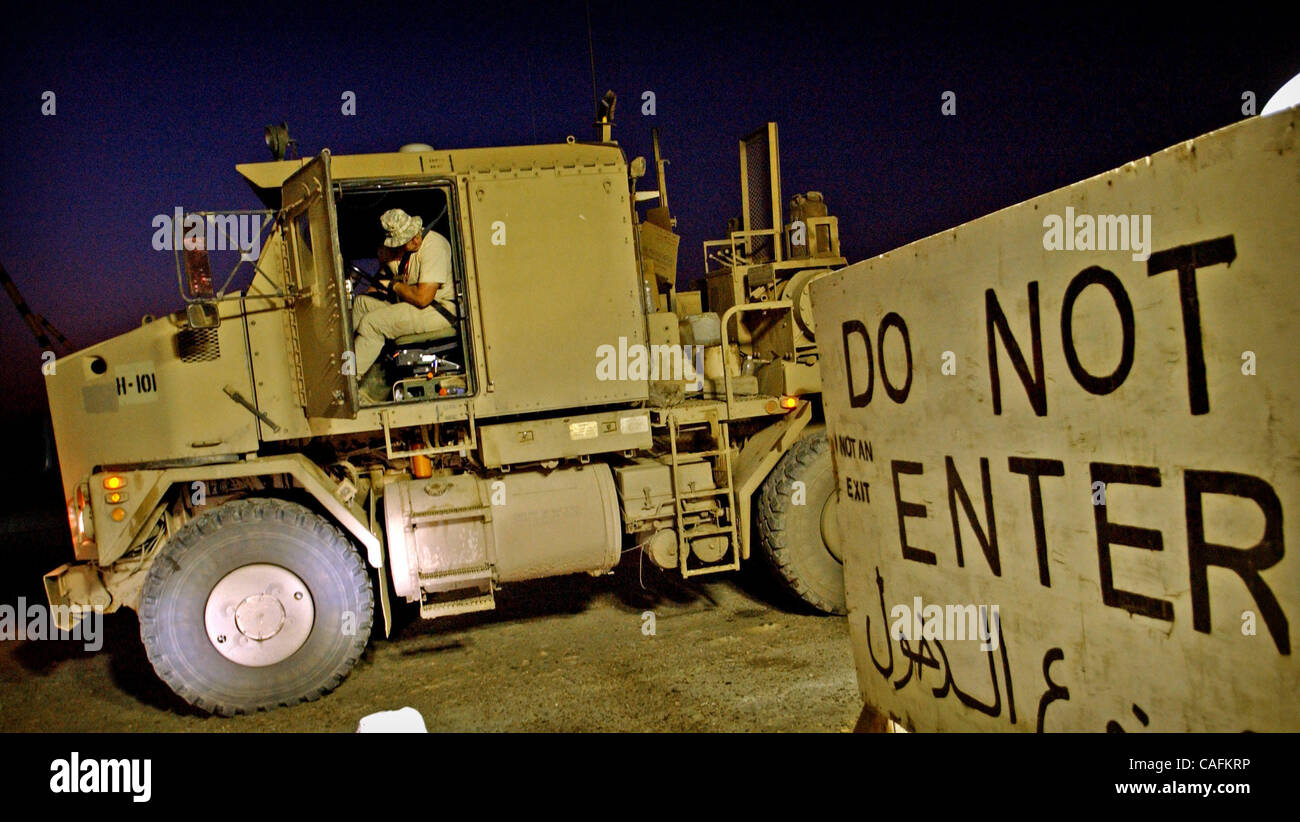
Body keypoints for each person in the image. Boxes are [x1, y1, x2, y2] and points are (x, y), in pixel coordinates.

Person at [351, 208, 456, 400]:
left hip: (440, 309)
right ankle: (345, 363)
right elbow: (383, 284)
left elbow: (423, 298)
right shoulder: (402, 254)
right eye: (406, 239)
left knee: (372, 323)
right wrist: (387, 263)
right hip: (417, 305)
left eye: (414, 234)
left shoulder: (434, 245)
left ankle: (347, 383)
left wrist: (394, 285)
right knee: (361, 304)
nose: (414, 240)